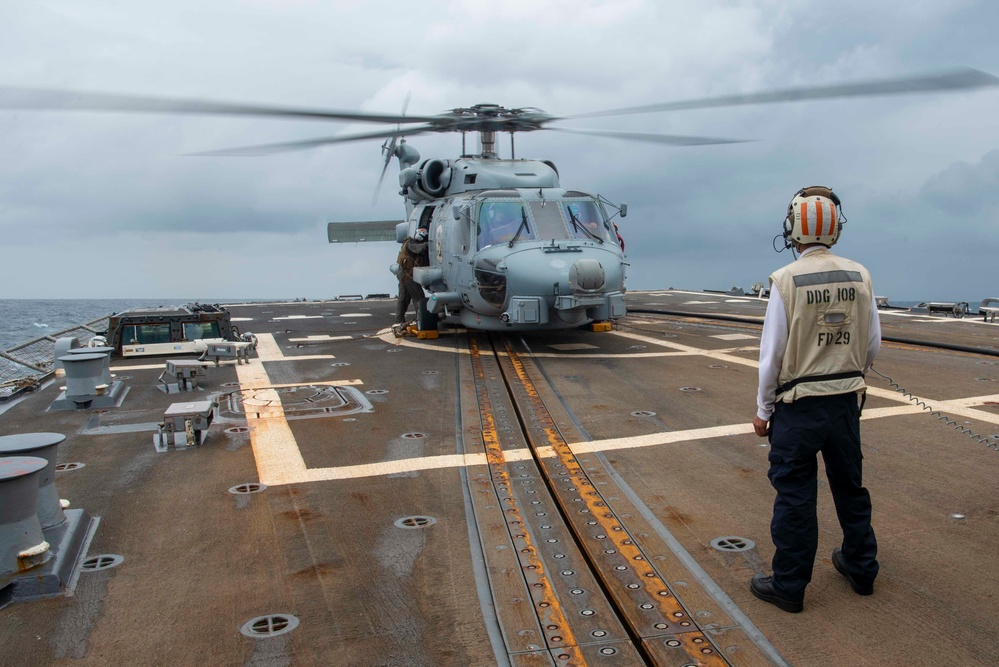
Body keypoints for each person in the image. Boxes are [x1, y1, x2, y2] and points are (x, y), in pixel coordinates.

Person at [750, 186, 881, 613]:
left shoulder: (785, 280)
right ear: (834, 228)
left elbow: (771, 355)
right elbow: (873, 344)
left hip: (798, 406)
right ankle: (862, 569)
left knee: (795, 496)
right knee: (850, 488)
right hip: (845, 402)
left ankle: (789, 586)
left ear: (793, 230)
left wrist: (762, 410)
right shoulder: (860, 274)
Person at [394, 228, 429, 334]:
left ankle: (399, 321)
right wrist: (429, 244)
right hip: (408, 275)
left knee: (404, 299)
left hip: (404, 274)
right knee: (419, 299)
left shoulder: (408, 242)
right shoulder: (410, 244)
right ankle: (423, 321)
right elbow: (418, 249)